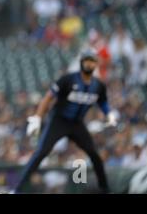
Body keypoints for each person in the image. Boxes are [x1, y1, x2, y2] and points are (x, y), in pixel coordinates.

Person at [13, 49, 118, 193]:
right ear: (81, 62)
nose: (89, 64)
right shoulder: (68, 79)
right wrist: (37, 117)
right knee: (41, 152)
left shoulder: (98, 86)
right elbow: (48, 97)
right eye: (87, 61)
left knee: (94, 155)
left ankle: (105, 189)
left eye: (92, 61)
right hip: (59, 121)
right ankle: (18, 189)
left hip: (77, 124)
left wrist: (109, 114)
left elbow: (103, 103)